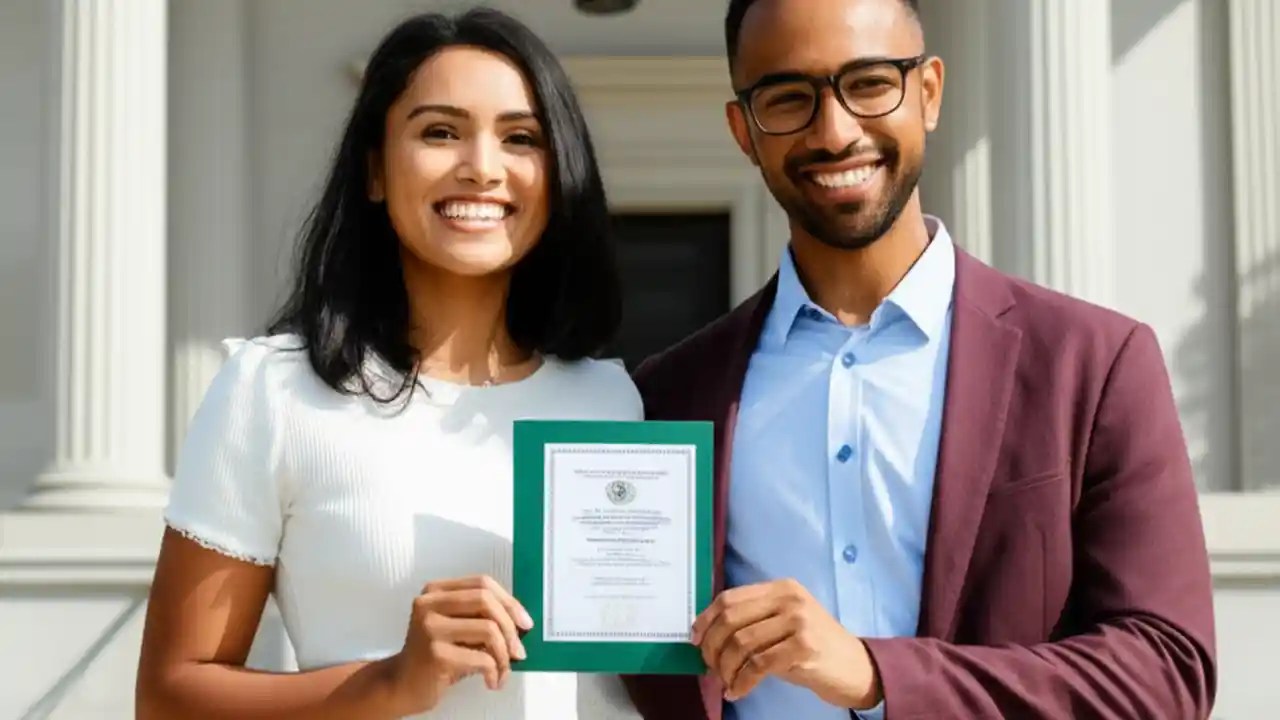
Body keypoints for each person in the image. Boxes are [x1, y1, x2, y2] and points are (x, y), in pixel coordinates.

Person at [621, 0, 1217, 718]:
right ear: (743, 131)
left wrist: (877, 675)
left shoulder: (1092, 365)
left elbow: (1165, 671)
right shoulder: (667, 396)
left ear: (928, 92)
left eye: (870, 83)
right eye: (788, 98)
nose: (835, 131)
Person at [136, 8, 643, 719]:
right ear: (375, 169)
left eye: (522, 138)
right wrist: (390, 683)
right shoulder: (275, 390)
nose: (482, 167)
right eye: (440, 132)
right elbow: (168, 698)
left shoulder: (615, 402)